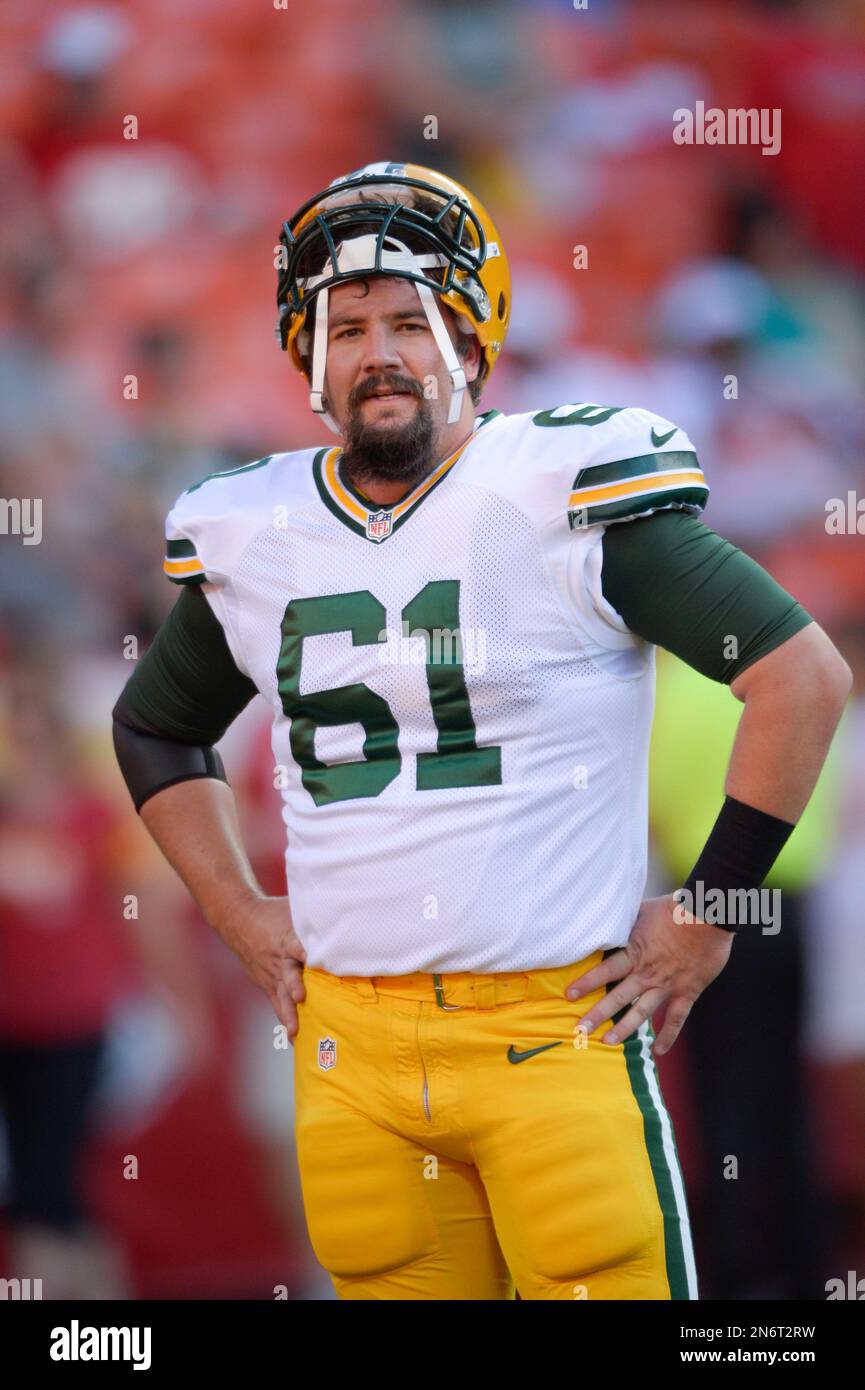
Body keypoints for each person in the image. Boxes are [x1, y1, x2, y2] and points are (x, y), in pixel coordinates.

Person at [112, 162, 851, 1300]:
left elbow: (800, 676)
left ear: (473, 337)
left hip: (549, 1026)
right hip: (348, 1048)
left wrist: (710, 909)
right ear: (307, 357)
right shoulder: (253, 527)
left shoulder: (559, 485)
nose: (377, 353)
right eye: (345, 326)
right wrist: (237, 912)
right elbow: (156, 728)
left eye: (411, 321)